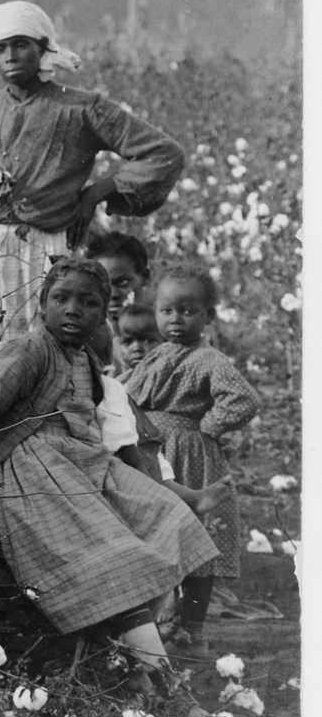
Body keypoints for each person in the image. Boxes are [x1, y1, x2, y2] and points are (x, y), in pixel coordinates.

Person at [0, 259, 217, 700]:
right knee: (112, 555)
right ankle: (164, 684)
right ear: (42, 305)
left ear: (104, 315)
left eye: (88, 303)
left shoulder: (86, 359)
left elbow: (96, 426)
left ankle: (136, 665)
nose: (73, 310)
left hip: (84, 464)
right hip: (29, 468)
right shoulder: (29, 350)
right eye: (61, 299)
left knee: (171, 519)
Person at [0, 1, 183, 349]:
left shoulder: (80, 107)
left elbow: (163, 153)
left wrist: (99, 191)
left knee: (45, 350)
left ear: (43, 48)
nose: (11, 55)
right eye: (0, 48)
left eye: (21, 44)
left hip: (49, 247)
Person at [121, 265, 260, 656]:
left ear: (208, 316)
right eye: (167, 311)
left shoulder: (208, 359)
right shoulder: (155, 354)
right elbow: (128, 395)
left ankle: (193, 630)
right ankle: (158, 623)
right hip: (151, 451)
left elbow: (244, 399)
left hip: (191, 454)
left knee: (200, 542)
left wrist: (208, 427)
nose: (176, 320)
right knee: (155, 534)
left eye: (188, 311)